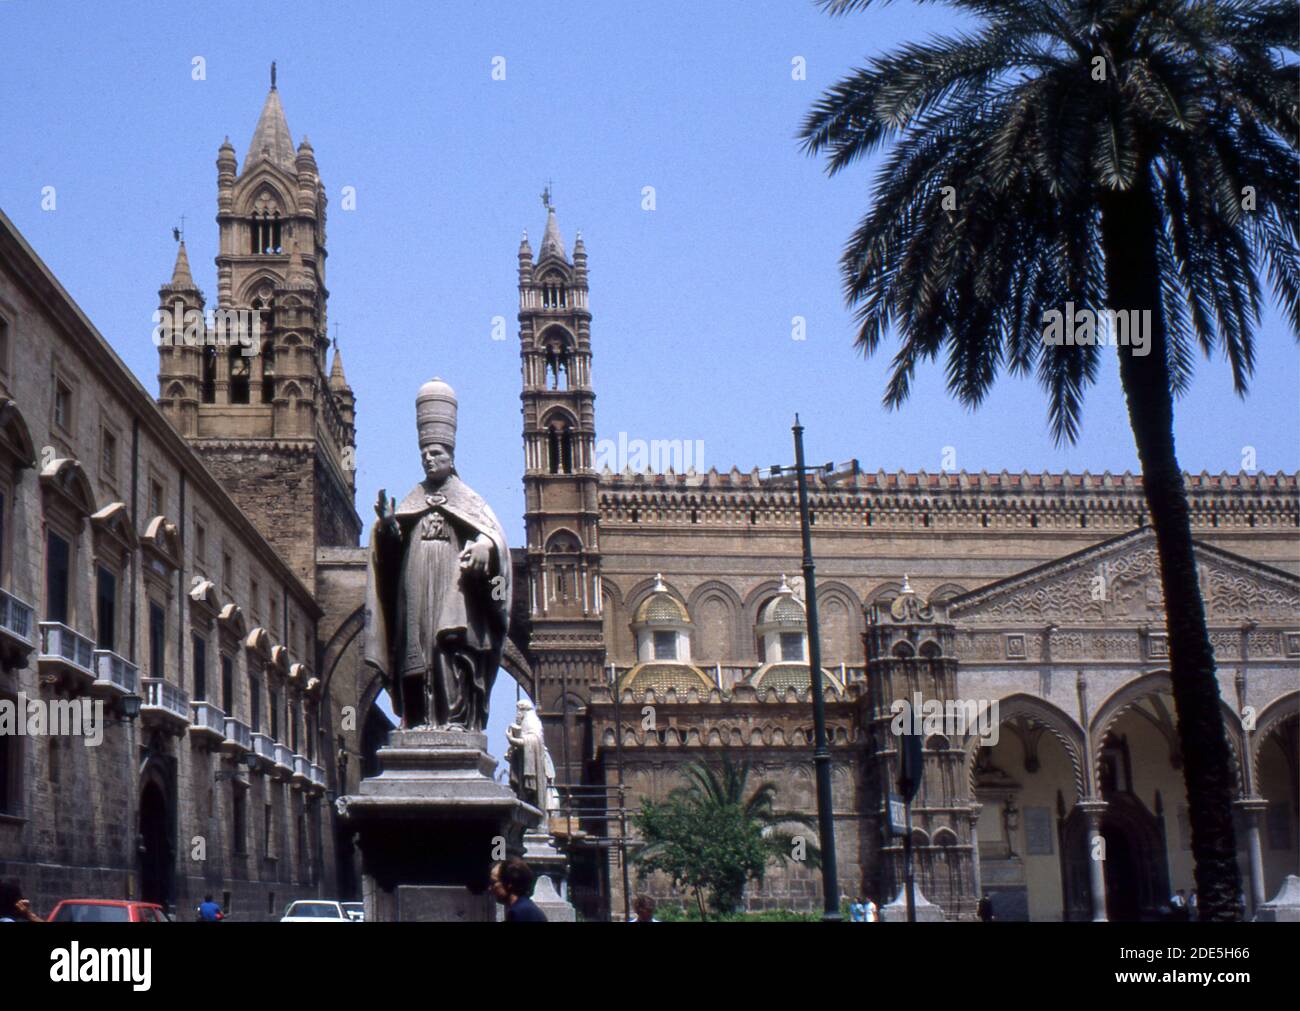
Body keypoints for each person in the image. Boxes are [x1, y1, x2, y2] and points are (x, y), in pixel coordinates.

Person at [490, 858, 547, 922]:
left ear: (509, 884)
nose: (490, 888)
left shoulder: (520, 912)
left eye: (493, 883)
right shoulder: (527, 909)